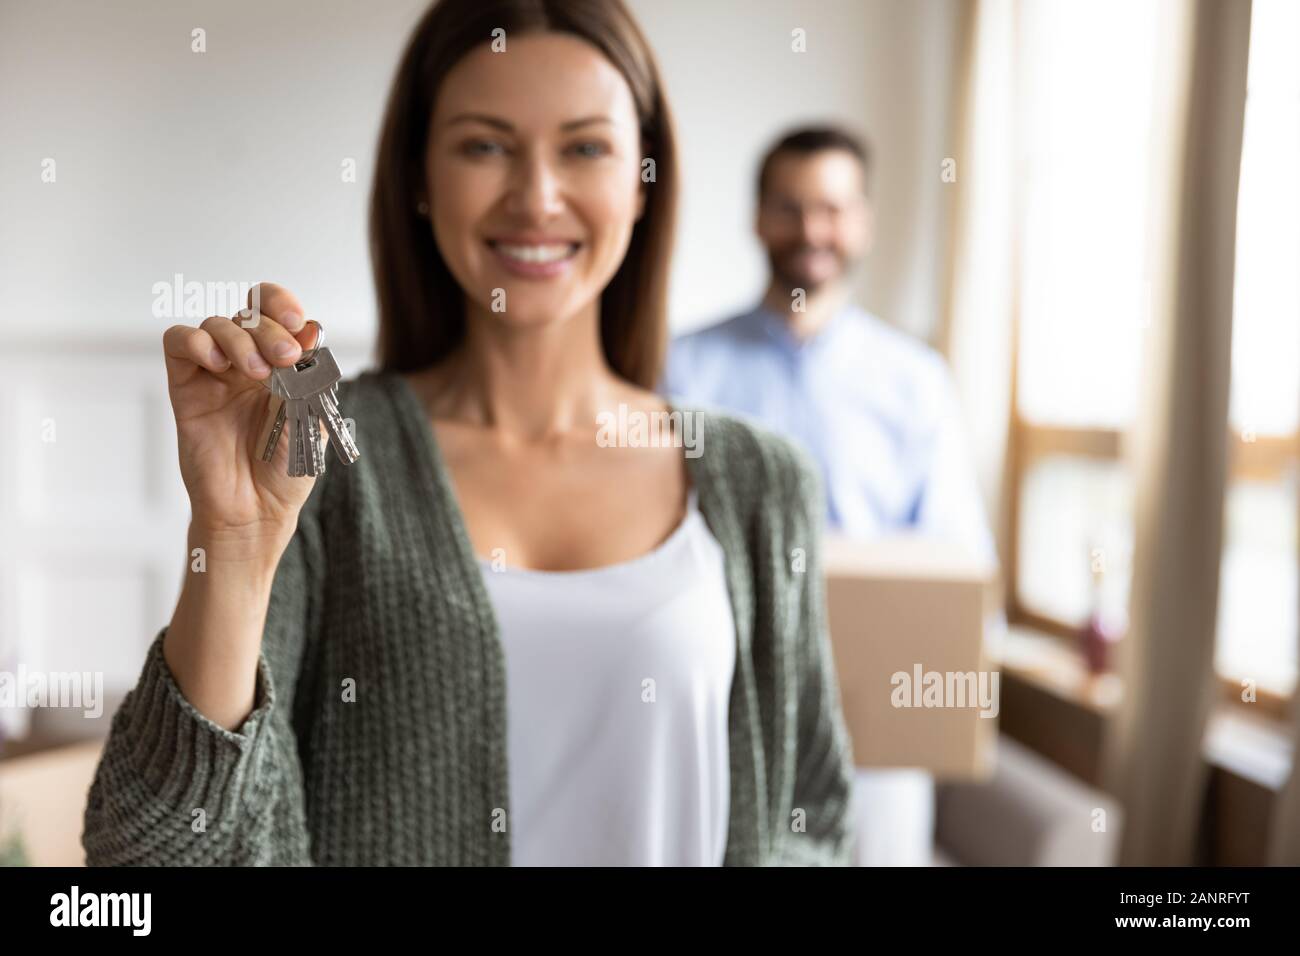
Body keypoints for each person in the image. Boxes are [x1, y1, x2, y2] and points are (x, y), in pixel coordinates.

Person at [81, 0, 855, 867]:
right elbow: (150, 860)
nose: (536, 196)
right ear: (419, 178)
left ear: (643, 178)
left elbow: (812, 819)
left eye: (585, 146)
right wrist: (232, 540)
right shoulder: (322, 457)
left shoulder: (760, 482)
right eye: (484, 145)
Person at [662, 126, 998, 866]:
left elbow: (957, 561)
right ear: (757, 218)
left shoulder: (916, 380)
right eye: (790, 206)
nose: (813, 229)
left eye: (833, 208)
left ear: (865, 220)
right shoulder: (683, 369)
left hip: (874, 737)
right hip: (723, 719)